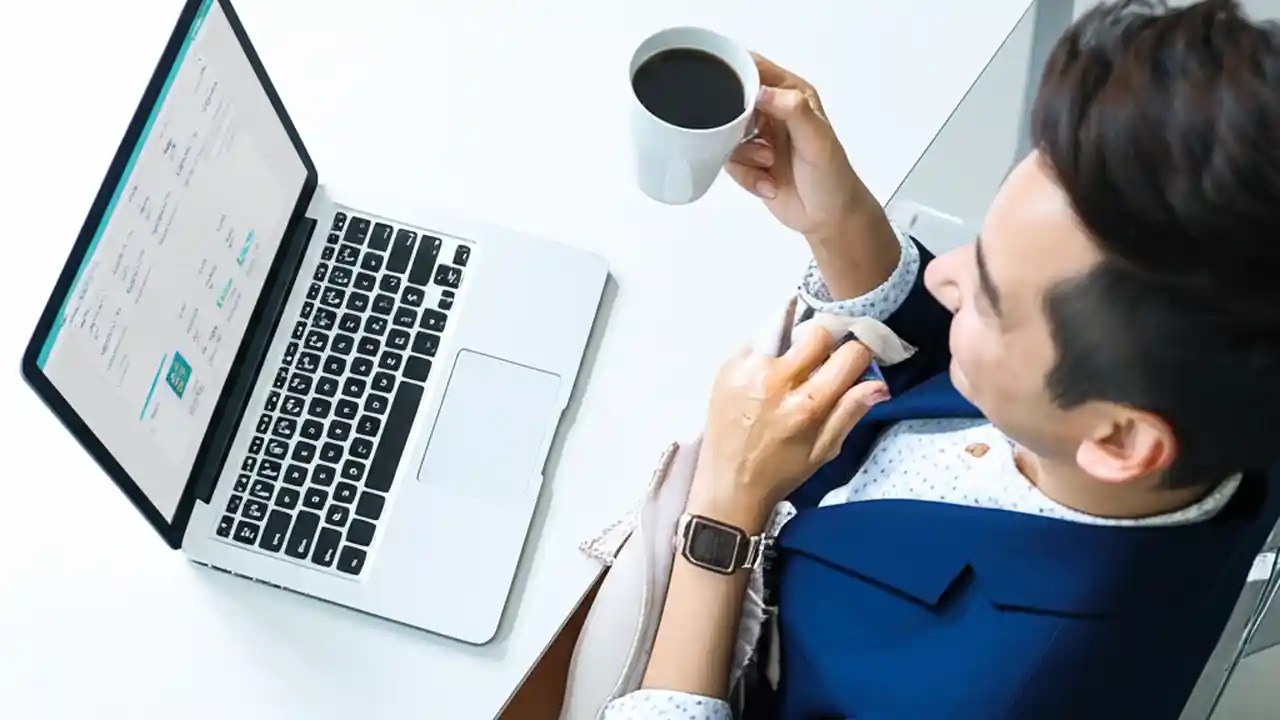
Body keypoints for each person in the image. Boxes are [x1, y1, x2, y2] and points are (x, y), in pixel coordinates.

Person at [594, 0, 1280, 717]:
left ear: (1118, 438)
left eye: (988, 293)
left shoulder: (988, 694)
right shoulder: (1220, 366)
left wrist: (725, 511)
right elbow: (1004, 366)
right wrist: (840, 220)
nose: (941, 274)